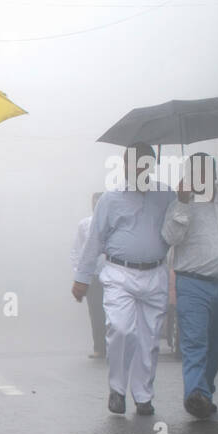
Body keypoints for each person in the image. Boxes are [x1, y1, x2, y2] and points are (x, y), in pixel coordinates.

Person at [73, 144, 172, 416]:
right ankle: (117, 389)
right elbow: (95, 240)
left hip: (155, 273)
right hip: (119, 274)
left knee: (148, 338)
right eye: (133, 163)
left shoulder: (167, 196)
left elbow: (178, 230)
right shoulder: (110, 199)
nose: (139, 168)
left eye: (145, 163)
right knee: (120, 329)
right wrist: (81, 278)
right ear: (125, 166)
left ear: (152, 165)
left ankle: (143, 395)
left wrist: (185, 203)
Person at [162, 153, 218, 418]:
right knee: (195, 342)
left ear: (213, 174)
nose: (201, 178)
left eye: (205, 172)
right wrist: (183, 204)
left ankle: (203, 391)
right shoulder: (179, 205)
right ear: (188, 176)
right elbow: (170, 238)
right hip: (193, 283)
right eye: (195, 172)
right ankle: (195, 394)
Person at [70, 192, 106, 358]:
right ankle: (99, 347)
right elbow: (77, 250)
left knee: (114, 313)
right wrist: (80, 274)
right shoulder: (85, 224)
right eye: (95, 203)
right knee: (96, 312)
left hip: (112, 275)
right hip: (93, 275)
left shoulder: (113, 223)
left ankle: (114, 346)